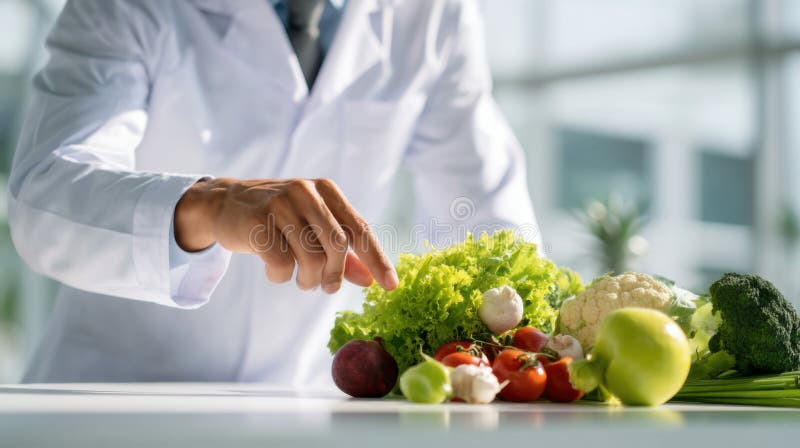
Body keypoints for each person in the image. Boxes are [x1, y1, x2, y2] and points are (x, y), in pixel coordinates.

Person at [7, 0, 539, 385]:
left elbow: (490, 222)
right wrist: (208, 206)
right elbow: (45, 199)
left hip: (299, 402)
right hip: (107, 401)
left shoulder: (434, 14)